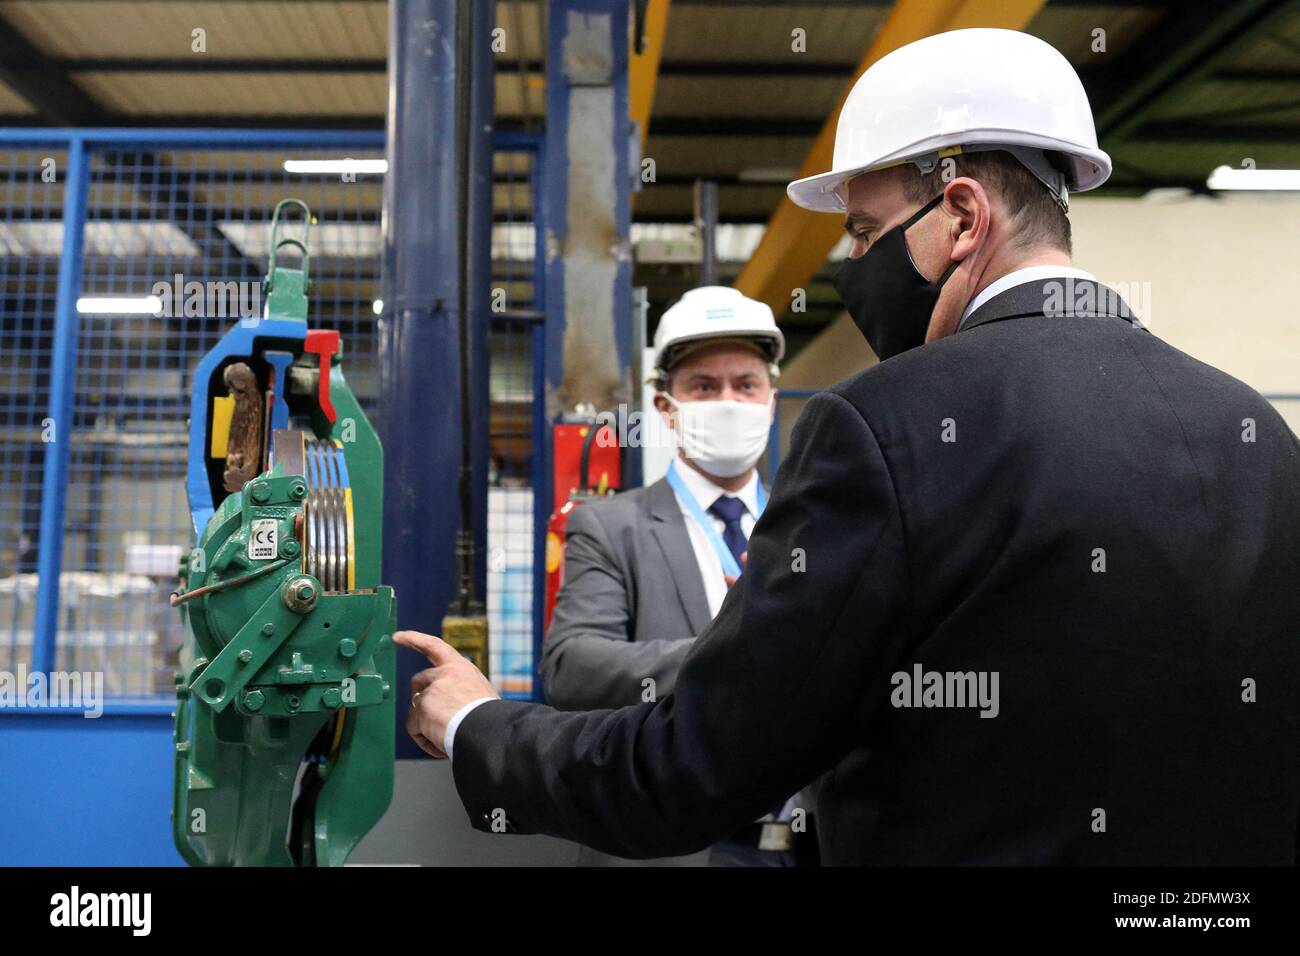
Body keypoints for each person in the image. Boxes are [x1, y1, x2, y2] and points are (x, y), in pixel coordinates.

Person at [397, 28, 1300, 865]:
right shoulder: (1255, 434)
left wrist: (483, 726)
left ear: (961, 216)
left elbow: (687, 769)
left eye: (865, 231)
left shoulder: (884, 428)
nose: (855, 262)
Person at [540, 286, 815, 866]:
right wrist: (729, 655)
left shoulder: (813, 533)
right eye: (704, 387)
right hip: (676, 845)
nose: (728, 402)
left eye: (745, 385)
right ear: (666, 407)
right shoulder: (612, 528)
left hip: (799, 844)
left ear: (770, 400)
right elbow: (571, 666)